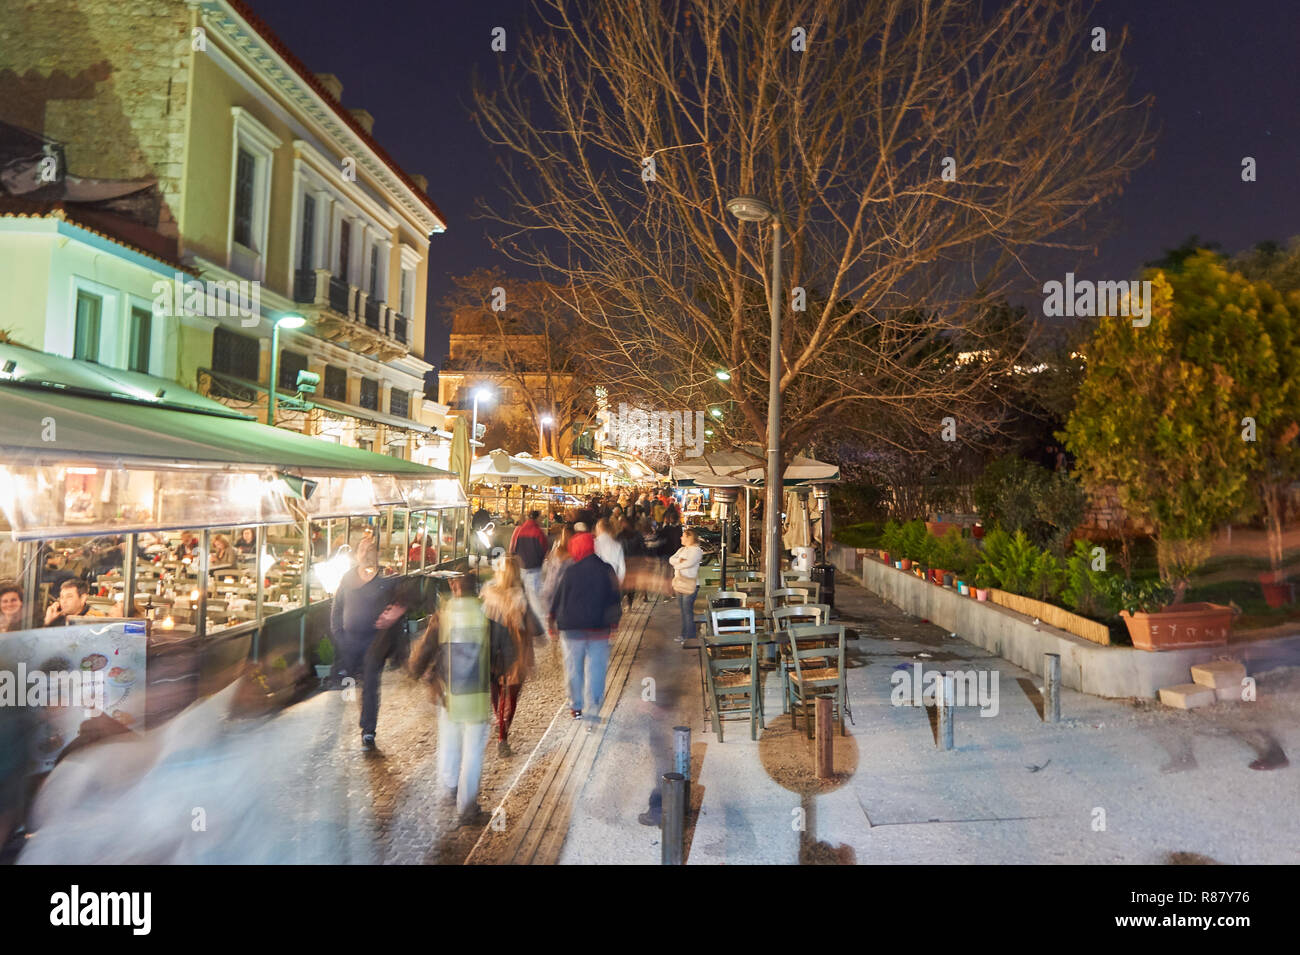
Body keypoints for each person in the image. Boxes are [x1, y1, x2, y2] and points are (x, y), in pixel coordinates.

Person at [408, 574, 491, 824]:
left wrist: (414, 669)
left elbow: (426, 649)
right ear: (474, 589)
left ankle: (448, 790)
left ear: (454, 587)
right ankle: (467, 807)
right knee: (473, 751)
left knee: (449, 741)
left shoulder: (443, 615)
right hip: (477, 695)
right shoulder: (486, 614)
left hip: (448, 693)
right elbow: (500, 651)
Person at [329, 539, 402, 750]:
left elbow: (401, 601)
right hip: (349, 641)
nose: (366, 553)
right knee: (348, 683)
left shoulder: (386, 579)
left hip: (374, 642)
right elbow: (337, 606)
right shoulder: (348, 577)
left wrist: (395, 615)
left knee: (370, 685)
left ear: (377, 552)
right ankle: (342, 727)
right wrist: (338, 634)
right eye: (362, 549)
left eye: (370, 549)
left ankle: (368, 729)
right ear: (357, 553)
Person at [548, 527, 622, 724]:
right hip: (599, 628)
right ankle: (594, 706)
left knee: (574, 669)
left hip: (572, 629)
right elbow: (615, 598)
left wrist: (551, 618)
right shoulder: (607, 569)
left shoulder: (570, 570)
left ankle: (576, 707)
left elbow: (559, 596)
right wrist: (614, 622)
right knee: (596, 669)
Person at [483, 556, 538, 757]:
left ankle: (499, 721)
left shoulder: (488, 593)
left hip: (491, 650)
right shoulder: (520, 598)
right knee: (511, 694)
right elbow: (528, 629)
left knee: (496, 690)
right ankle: (503, 735)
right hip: (515, 650)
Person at [509, 510, 549, 629]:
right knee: (536, 601)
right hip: (534, 569)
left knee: (520, 596)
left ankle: (518, 626)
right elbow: (544, 549)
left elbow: (513, 548)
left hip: (521, 568)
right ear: (536, 518)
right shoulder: (538, 532)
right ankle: (543, 628)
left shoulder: (519, 530)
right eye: (541, 518)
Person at [669, 528, 704, 644]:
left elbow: (689, 563)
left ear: (689, 537)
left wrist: (677, 565)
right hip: (679, 583)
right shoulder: (682, 549)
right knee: (684, 611)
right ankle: (685, 634)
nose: (681, 538)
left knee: (687, 611)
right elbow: (671, 559)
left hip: (690, 585)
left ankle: (690, 637)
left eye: (683, 536)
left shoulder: (696, 550)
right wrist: (680, 561)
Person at [539, 525, 573, 626]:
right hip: (566, 593)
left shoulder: (555, 551)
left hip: (553, 589)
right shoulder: (573, 555)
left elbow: (551, 574)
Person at [616, 517, 650, 607]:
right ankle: (626, 601)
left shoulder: (634, 535)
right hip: (627, 561)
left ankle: (628, 602)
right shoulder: (620, 535)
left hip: (632, 562)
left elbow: (642, 547)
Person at [593, 518, 626, 588]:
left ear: (599, 528)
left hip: (597, 582)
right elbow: (622, 569)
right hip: (612, 583)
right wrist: (618, 584)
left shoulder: (594, 543)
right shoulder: (617, 545)